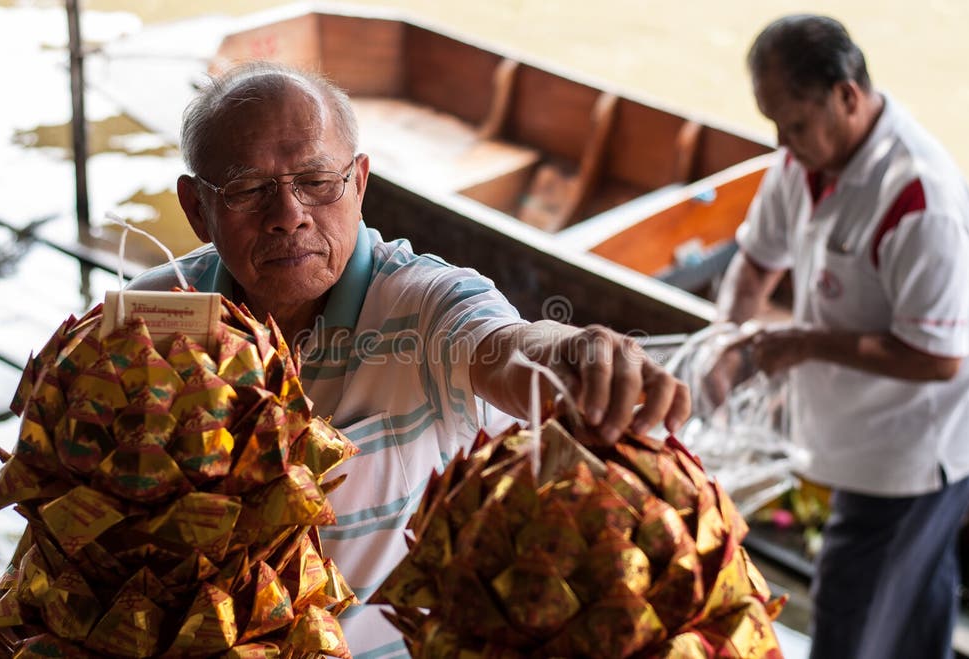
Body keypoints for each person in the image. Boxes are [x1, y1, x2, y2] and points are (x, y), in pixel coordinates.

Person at [128, 62, 690, 657]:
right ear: (196, 208)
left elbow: (504, 345)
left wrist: (573, 355)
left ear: (360, 182)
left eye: (318, 181)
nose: (288, 214)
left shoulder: (423, 305)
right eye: (247, 189)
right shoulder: (149, 319)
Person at [714, 14, 969, 659]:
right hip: (848, 428)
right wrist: (722, 343)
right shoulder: (801, 159)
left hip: (910, 453)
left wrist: (805, 342)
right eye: (774, 123)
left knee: (849, 620)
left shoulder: (919, 198)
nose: (783, 141)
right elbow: (756, 259)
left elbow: (939, 358)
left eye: (795, 124)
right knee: (916, 605)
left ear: (848, 96)